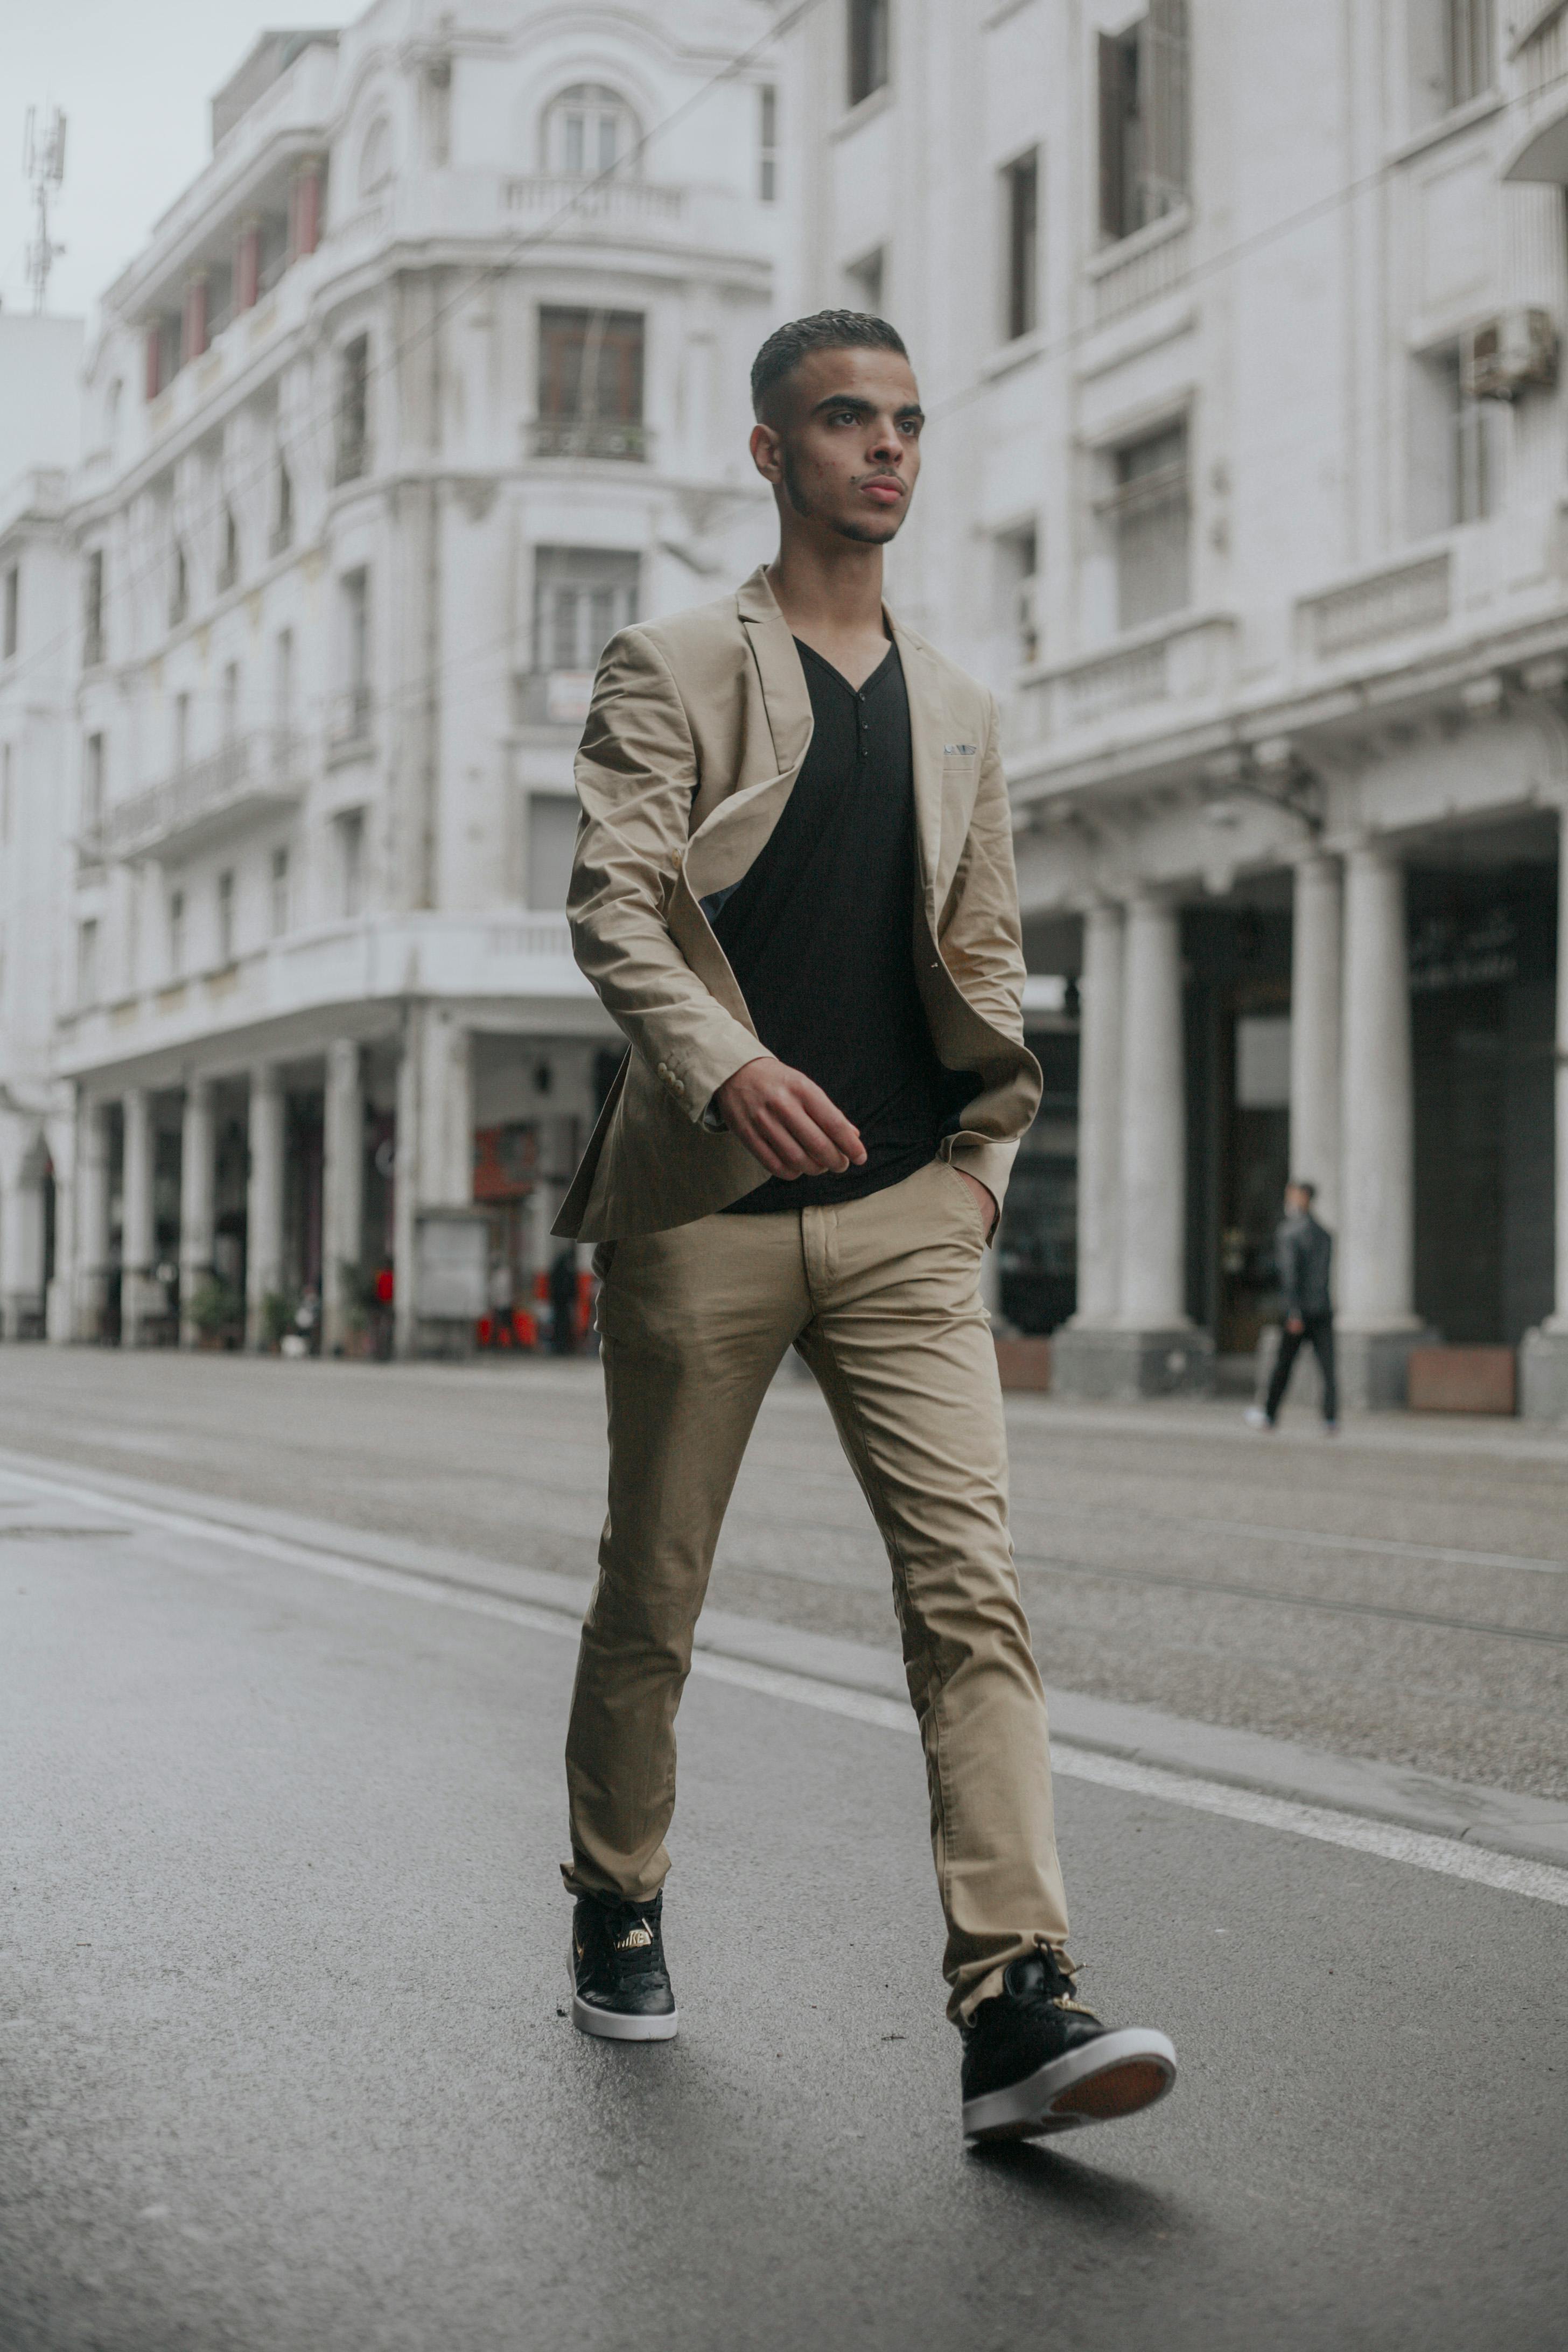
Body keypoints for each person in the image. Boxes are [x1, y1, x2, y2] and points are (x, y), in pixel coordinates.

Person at [551, 311, 1176, 2145]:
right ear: (770, 451)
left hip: (910, 1213)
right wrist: (730, 1067)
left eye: (907, 422)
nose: (886, 449)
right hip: (707, 1214)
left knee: (971, 1596)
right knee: (652, 1594)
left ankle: (1013, 1996)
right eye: (846, 420)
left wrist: (984, 1160)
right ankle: (618, 1891)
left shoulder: (966, 708)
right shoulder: (672, 660)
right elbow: (614, 908)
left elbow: (979, 953)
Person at [1246, 1180, 1338, 1432]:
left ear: (1303, 1198)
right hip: (1322, 1307)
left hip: (1300, 1310)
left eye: (1292, 1195)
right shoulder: (1324, 1234)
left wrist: (1293, 1311)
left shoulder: (1289, 1233)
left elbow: (1290, 1276)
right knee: (1327, 1366)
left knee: (1284, 1365)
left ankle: (1269, 1414)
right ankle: (1330, 1417)